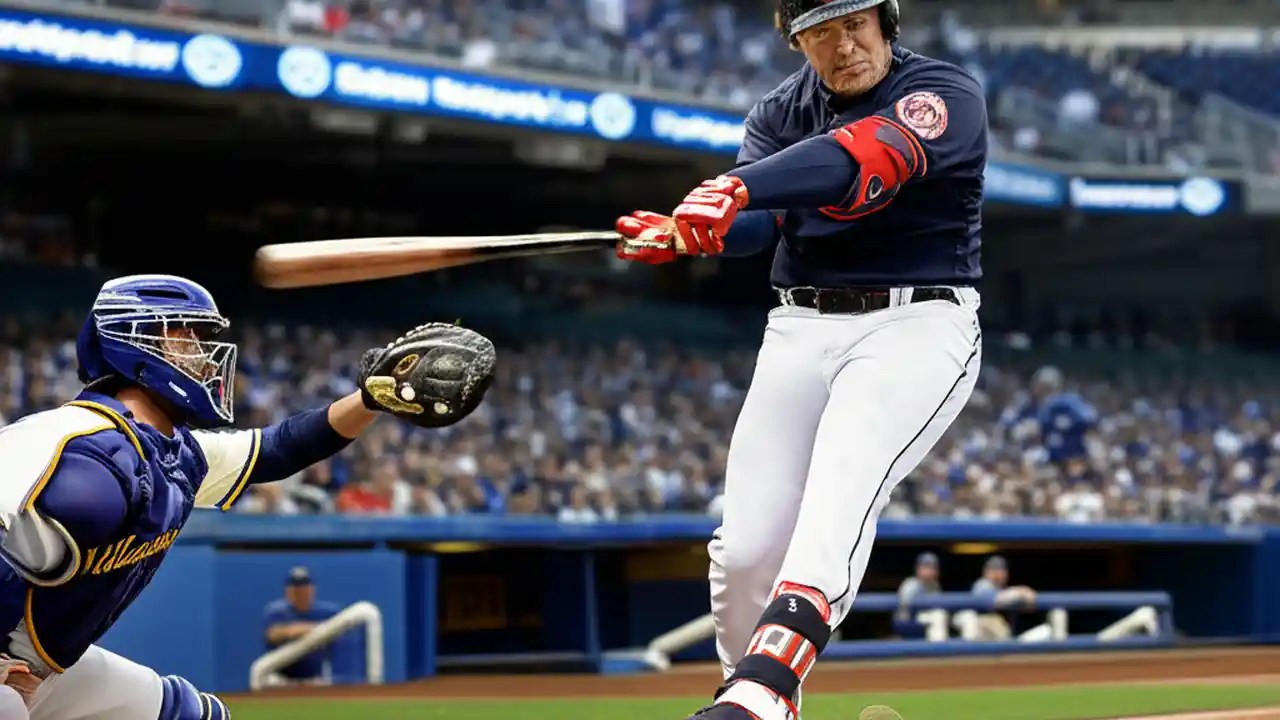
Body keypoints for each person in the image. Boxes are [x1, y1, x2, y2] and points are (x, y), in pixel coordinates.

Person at [612, 1, 987, 718]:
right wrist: (695, 234)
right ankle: (757, 697)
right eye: (821, 32)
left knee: (837, 499)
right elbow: (758, 227)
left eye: (856, 23)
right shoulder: (780, 112)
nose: (845, 45)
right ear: (797, 42)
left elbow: (858, 160)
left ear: (886, 20)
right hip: (799, 324)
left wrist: (737, 188)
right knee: (746, 550)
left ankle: (760, 692)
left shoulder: (943, 94)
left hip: (916, 322)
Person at [0, 274, 495, 719]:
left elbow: (278, 450)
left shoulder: (172, 454)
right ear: (135, 344)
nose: (202, 352)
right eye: (183, 336)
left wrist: (369, 399)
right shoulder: (69, 440)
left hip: (37, 664)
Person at [262, 567, 341, 685]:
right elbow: (272, 634)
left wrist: (301, 630)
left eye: (304, 587)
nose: (300, 592)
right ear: (288, 591)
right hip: (280, 678)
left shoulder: (325, 612)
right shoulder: (277, 611)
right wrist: (299, 630)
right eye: (295, 588)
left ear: (311, 589)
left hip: (314, 678)